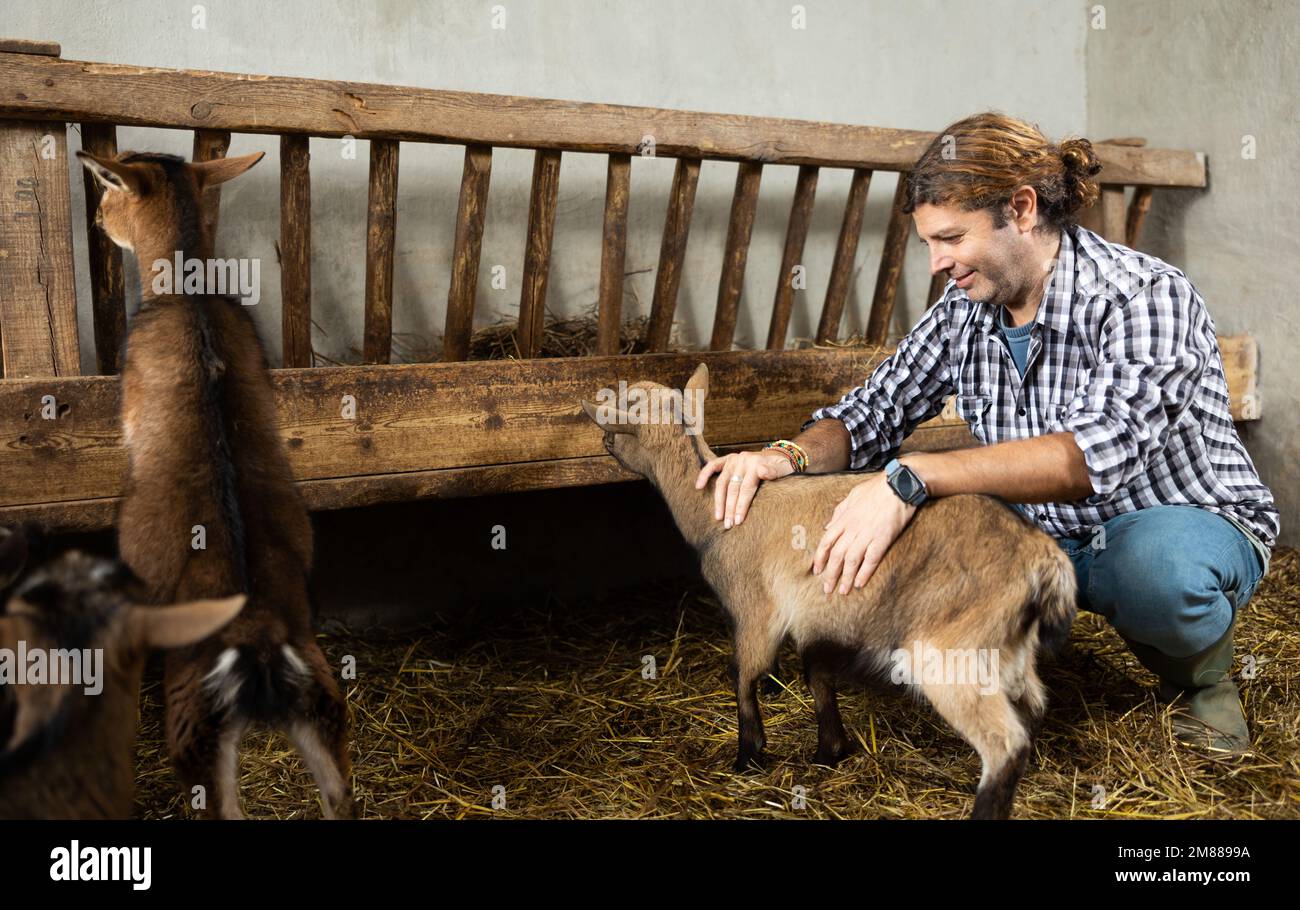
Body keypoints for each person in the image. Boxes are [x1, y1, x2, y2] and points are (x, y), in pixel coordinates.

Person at [695, 112, 1278, 754]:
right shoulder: (965, 310)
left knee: (1153, 572)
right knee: (904, 519)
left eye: (950, 238)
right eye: (927, 243)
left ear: (1021, 209)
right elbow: (873, 413)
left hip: (1172, 520)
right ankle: (1012, 662)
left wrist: (913, 477)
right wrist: (785, 458)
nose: (938, 263)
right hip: (1043, 536)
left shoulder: (1144, 295)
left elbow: (1088, 459)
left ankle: (1204, 678)